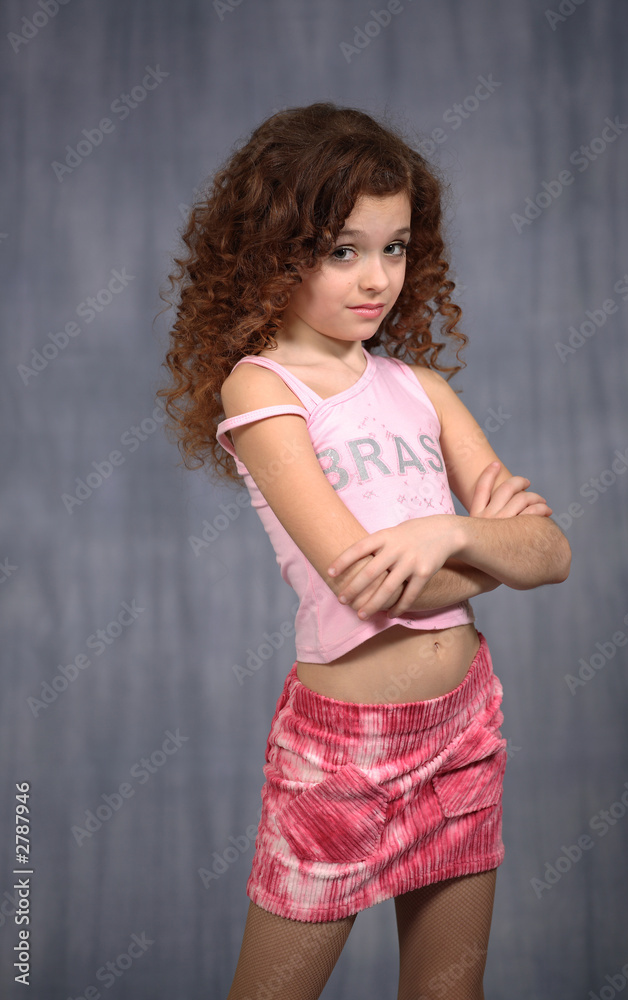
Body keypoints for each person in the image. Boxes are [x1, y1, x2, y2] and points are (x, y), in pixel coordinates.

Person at [156, 101, 571, 1000]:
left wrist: (449, 531)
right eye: (344, 249)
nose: (375, 277)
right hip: (340, 752)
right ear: (277, 250)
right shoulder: (261, 386)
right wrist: (486, 546)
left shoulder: (418, 387)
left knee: (447, 992)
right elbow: (367, 583)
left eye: (395, 246)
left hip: (462, 729)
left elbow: (549, 551)